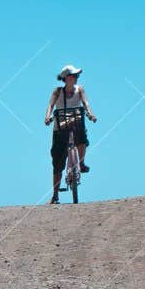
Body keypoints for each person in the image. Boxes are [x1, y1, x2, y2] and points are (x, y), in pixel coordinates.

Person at [44, 64, 97, 203]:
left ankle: (82, 163)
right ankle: (55, 195)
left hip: (76, 123)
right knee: (57, 163)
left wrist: (90, 114)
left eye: (76, 75)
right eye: (73, 75)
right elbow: (50, 105)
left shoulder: (80, 90)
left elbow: (85, 103)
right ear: (66, 78)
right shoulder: (57, 91)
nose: (76, 77)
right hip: (60, 127)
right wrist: (48, 117)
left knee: (83, 140)